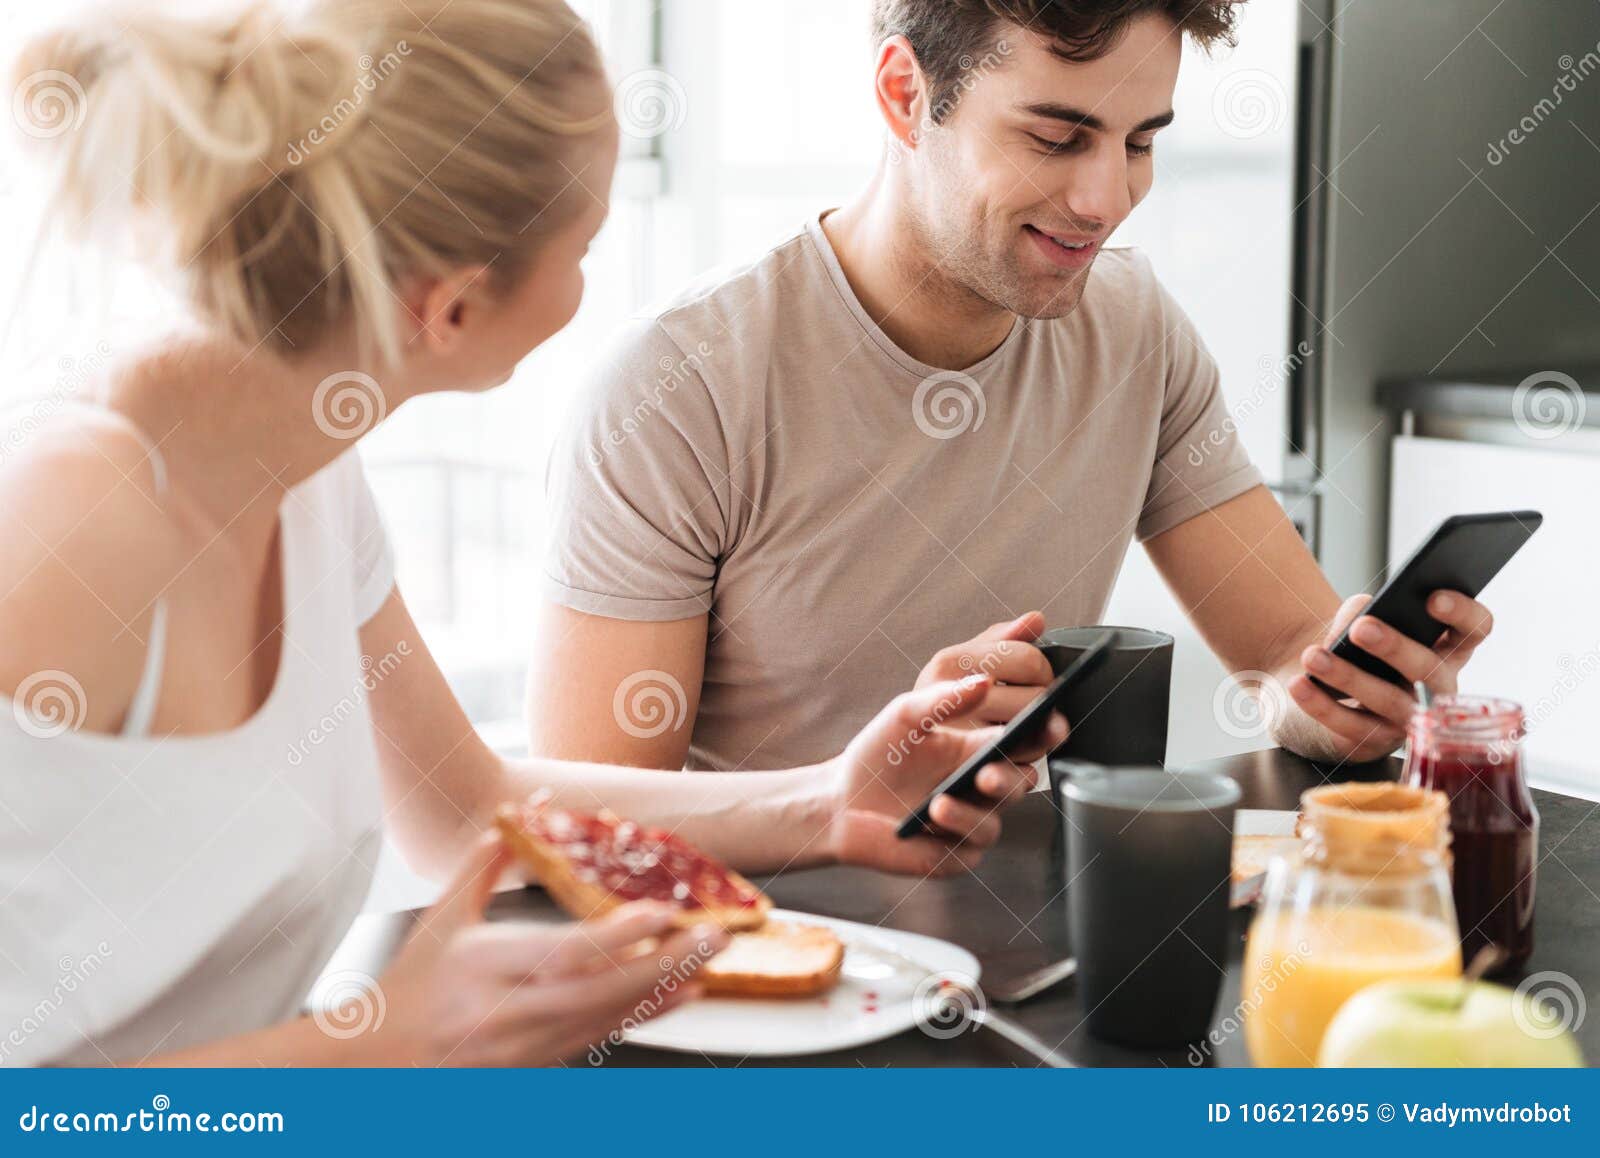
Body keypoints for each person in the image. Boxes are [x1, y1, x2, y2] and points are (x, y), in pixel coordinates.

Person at [0, 0, 1048, 1067]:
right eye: (583, 244)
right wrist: (374, 1047)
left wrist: (824, 800)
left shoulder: (309, 476)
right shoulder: (67, 525)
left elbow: (466, 811)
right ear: (448, 307)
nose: (589, 285)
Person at [531, 0, 1496, 774]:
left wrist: (1344, 700)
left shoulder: (1135, 331)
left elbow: (1286, 646)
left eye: (1141, 142)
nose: (1108, 200)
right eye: (1055, 138)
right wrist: (864, 783)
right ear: (907, 94)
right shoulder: (676, 389)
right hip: (767, 975)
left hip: (1023, 950)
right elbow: (588, 827)